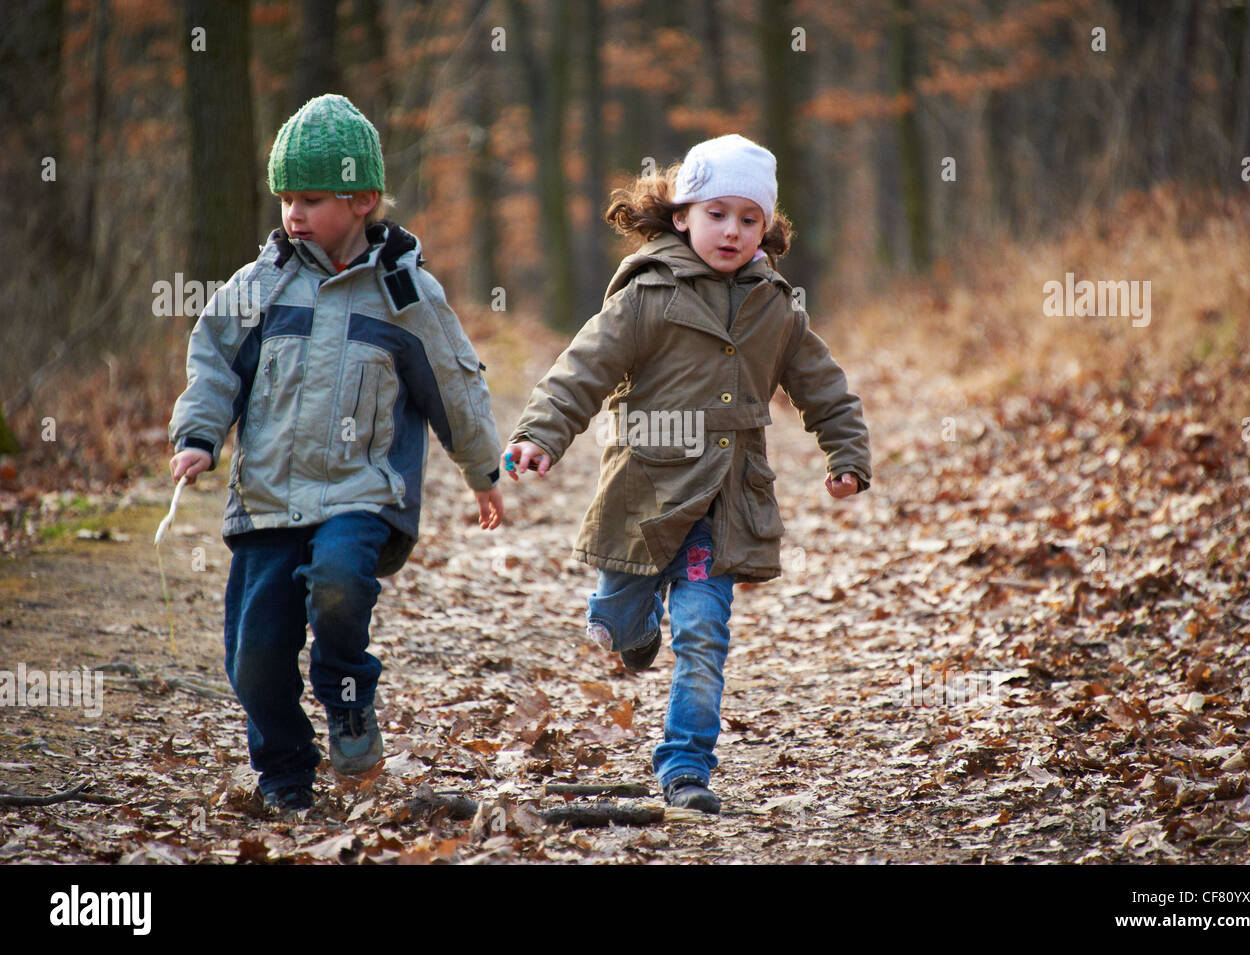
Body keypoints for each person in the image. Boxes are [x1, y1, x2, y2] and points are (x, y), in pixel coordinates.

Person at [503, 134, 871, 813]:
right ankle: (632, 627)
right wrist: (538, 436)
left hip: (723, 503)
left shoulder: (776, 306)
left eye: (748, 218)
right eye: (717, 213)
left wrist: (847, 455)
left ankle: (686, 767)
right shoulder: (648, 294)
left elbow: (824, 388)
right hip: (644, 499)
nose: (732, 230)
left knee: (704, 637)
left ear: (766, 227)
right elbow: (582, 371)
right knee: (616, 622)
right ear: (682, 215)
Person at [167, 94, 503, 816]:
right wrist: (197, 437)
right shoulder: (259, 288)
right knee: (252, 662)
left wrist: (483, 472)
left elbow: (455, 383)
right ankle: (286, 773)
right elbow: (213, 364)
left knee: (341, 584)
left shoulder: (405, 297)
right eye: (286, 197)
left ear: (363, 200)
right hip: (266, 502)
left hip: (361, 493)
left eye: (312, 198)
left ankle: (347, 691)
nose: (293, 213)